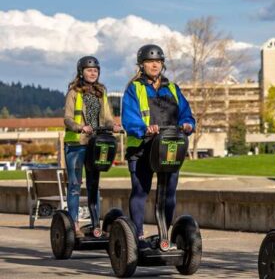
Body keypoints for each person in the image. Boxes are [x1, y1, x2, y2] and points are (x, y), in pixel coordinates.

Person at [121, 44, 195, 248]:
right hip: (142, 148)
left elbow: (186, 113)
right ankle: (137, 237)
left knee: (169, 194)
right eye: (150, 62)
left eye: (158, 62)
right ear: (141, 65)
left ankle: (164, 236)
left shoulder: (172, 88)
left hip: (168, 147)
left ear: (162, 64)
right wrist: (144, 128)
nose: (154, 65)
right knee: (140, 191)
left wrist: (188, 124)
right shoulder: (134, 89)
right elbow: (129, 118)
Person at [63, 56, 121, 235]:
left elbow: (108, 117)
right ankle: (74, 225)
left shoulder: (101, 92)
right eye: (89, 70)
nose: (93, 73)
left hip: (96, 143)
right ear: (81, 72)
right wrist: (80, 127)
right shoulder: (73, 92)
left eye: (95, 70)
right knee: (75, 185)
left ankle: (96, 225)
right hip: (76, 144)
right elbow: (67, 119)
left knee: (94, 185)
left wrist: (113, 126)